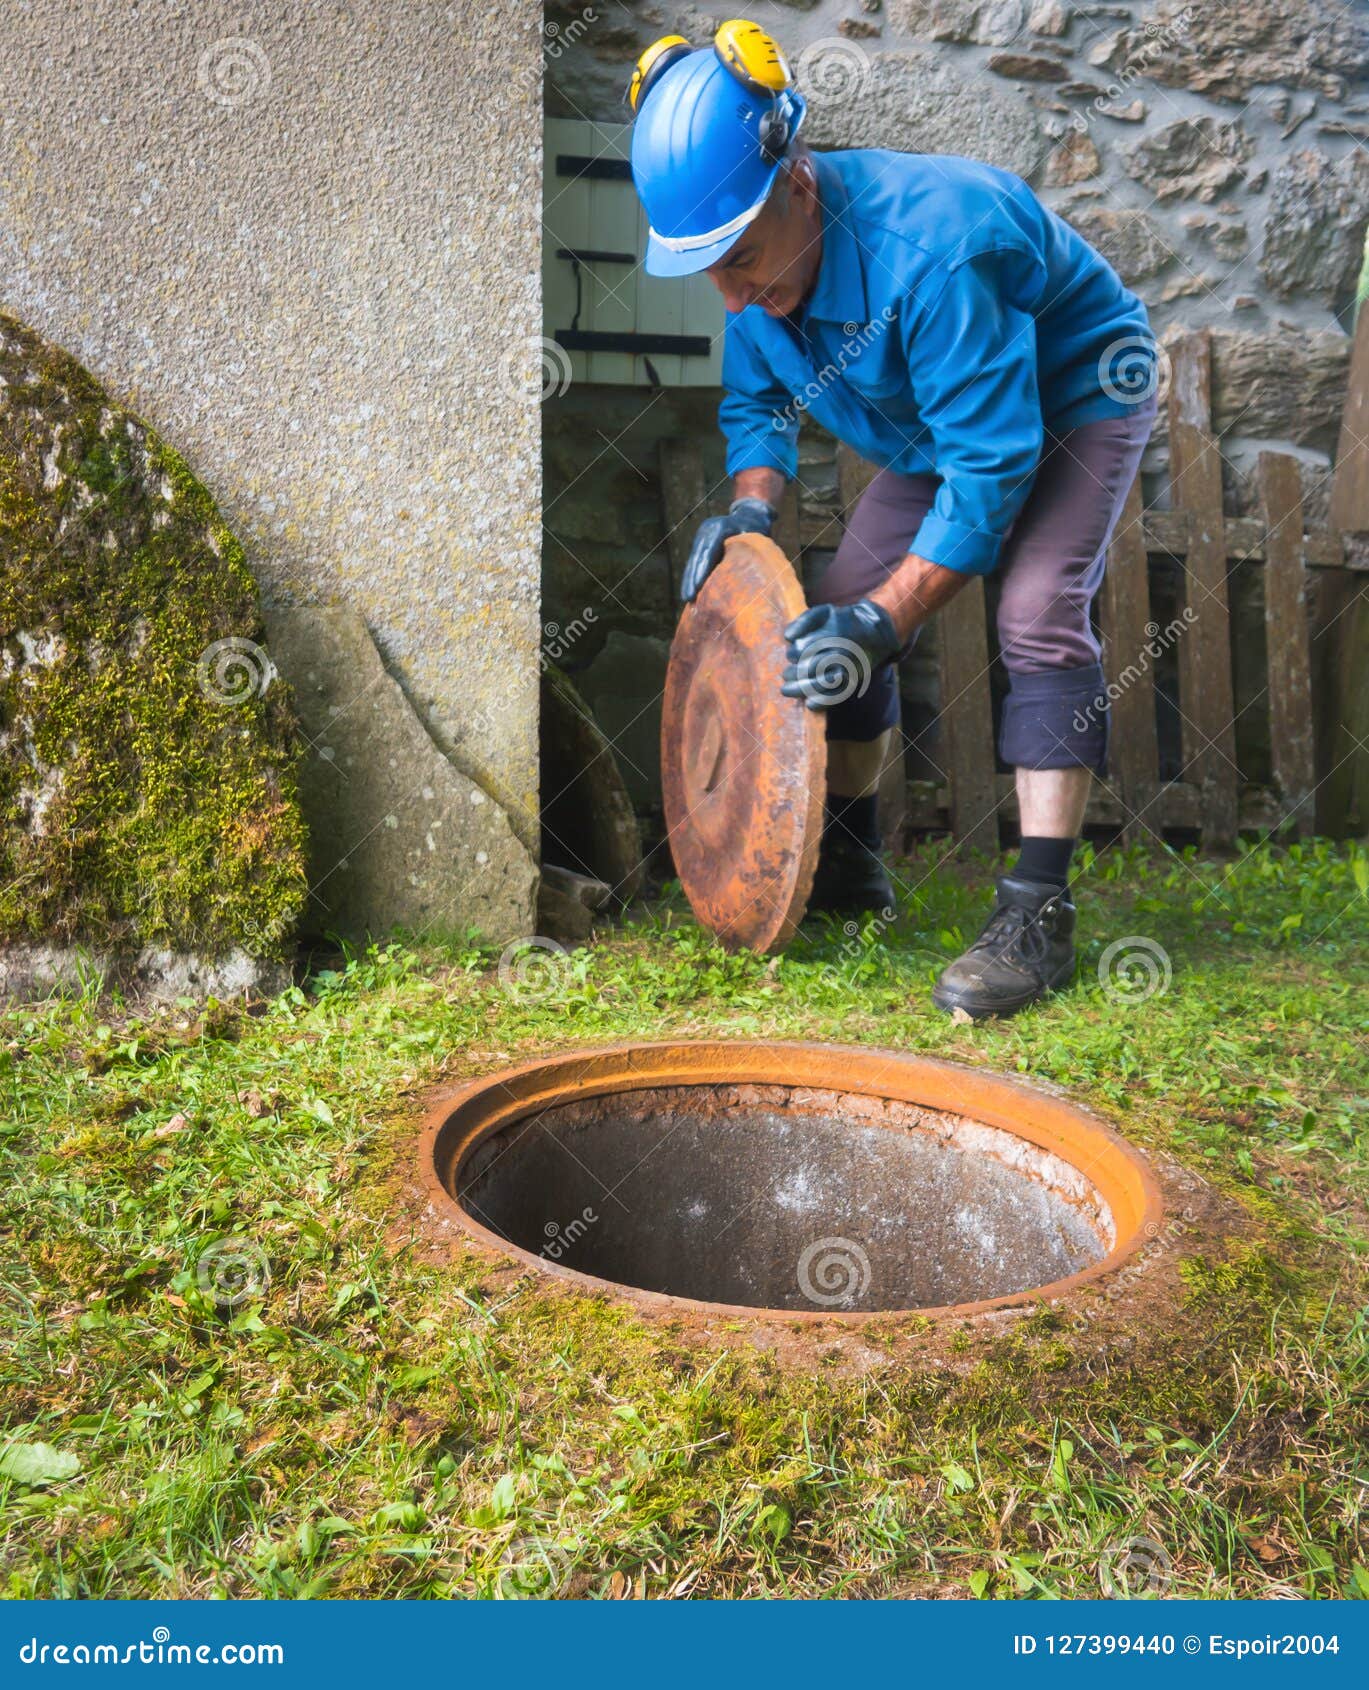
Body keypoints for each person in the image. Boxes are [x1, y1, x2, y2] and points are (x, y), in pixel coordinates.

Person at [627, 22, 1159, 1019]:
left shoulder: (940, 248)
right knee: (830, 607)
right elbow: (757, 402)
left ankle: (1037, 912)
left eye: (739, 259)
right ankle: (851, 866)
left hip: (1077, 391)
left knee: (1037, 606)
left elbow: (993, 464)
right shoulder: (755, 275)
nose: (731, 292)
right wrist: (749, 514)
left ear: (797, 178)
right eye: (709, 270)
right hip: (942, 424)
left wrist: (893, 616)